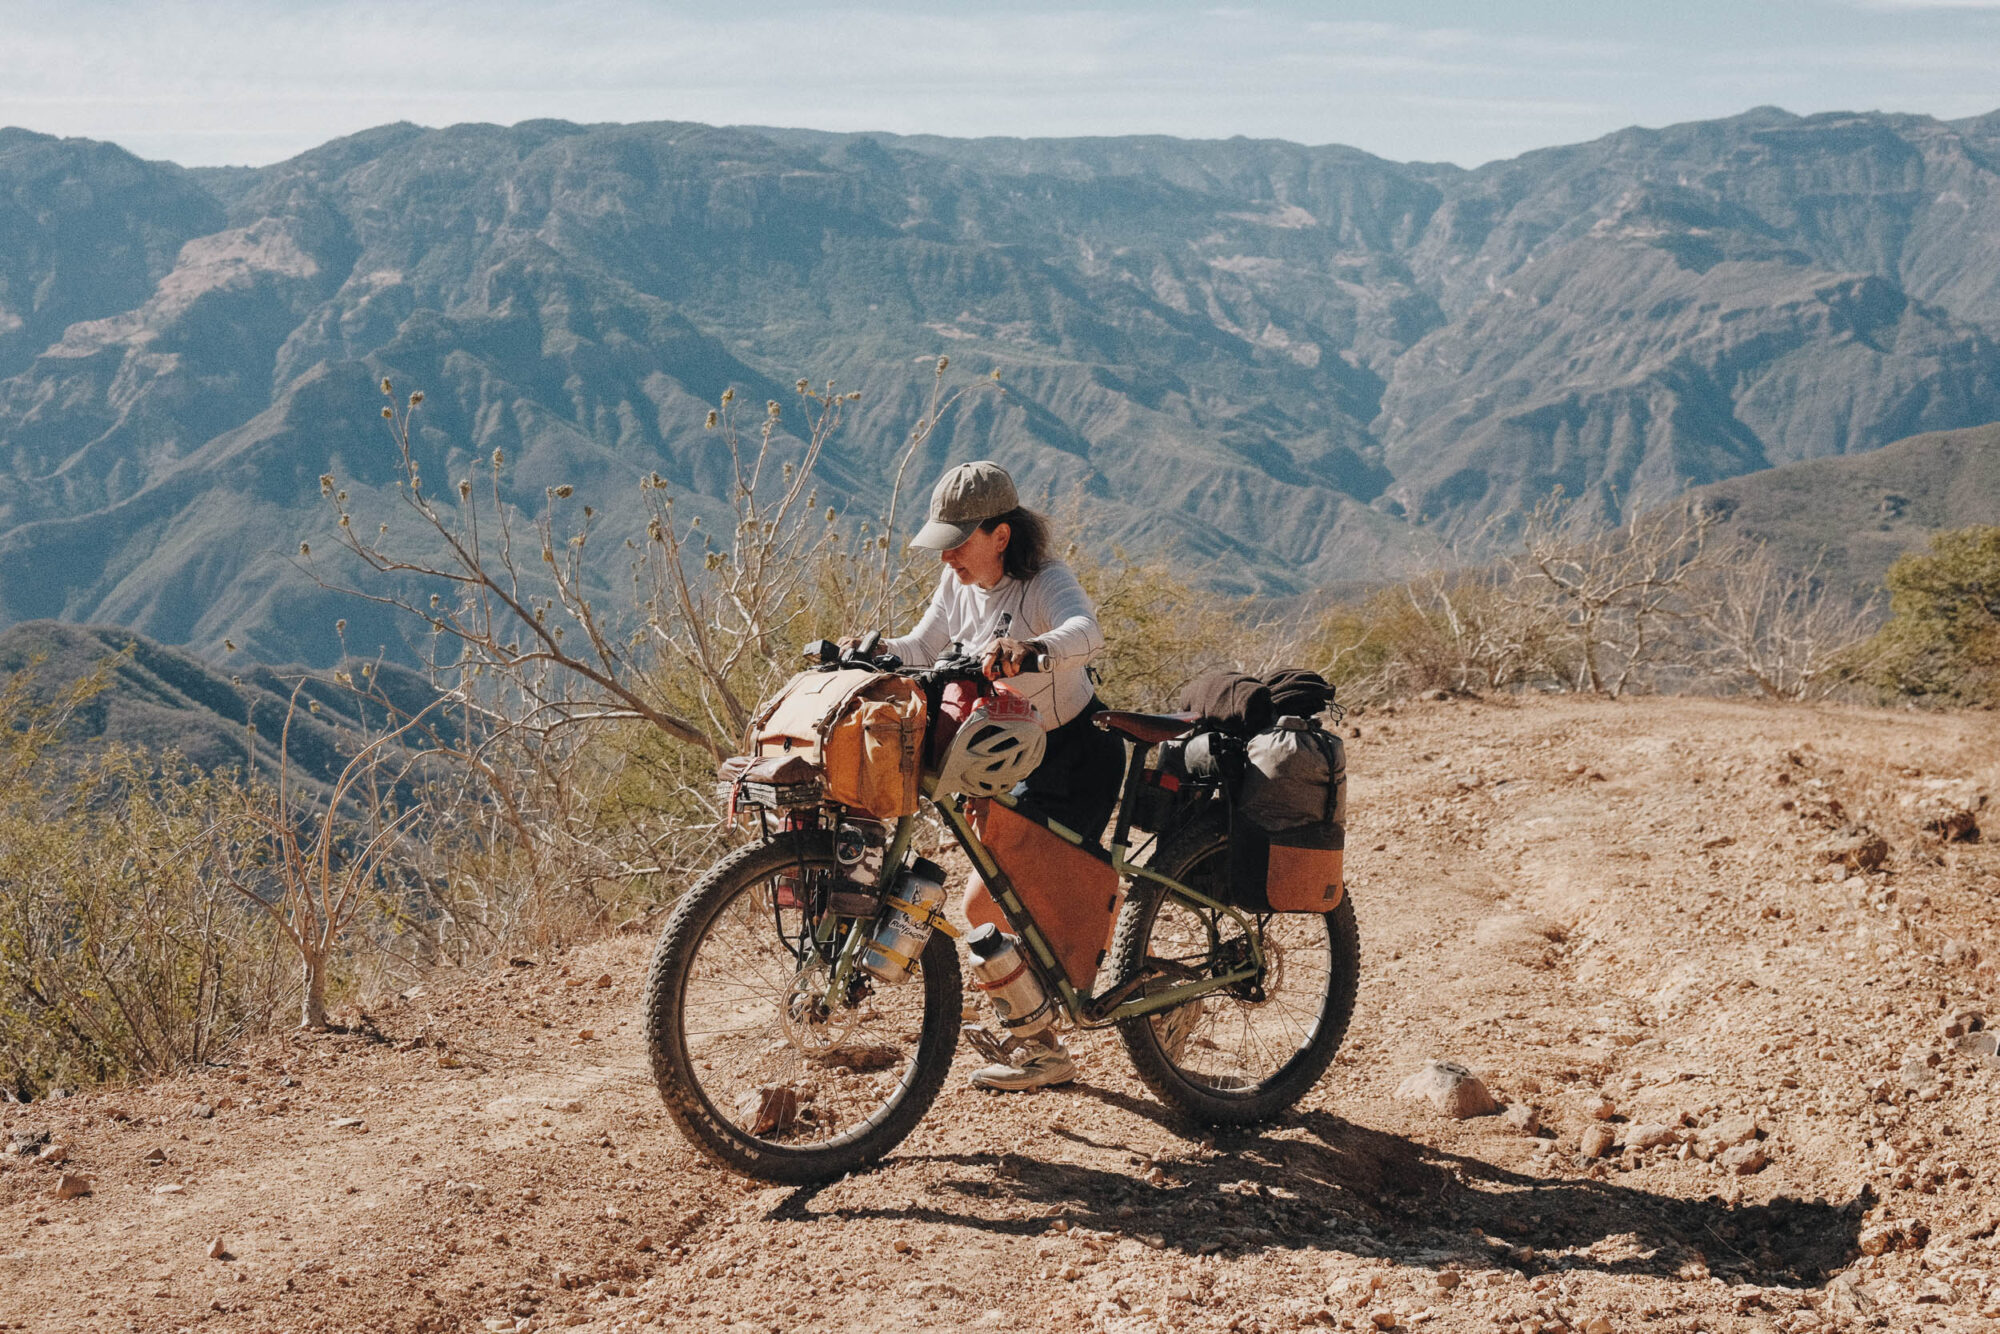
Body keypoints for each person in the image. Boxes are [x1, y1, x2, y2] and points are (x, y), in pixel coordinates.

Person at [864, 460, 1124, 1090]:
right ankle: (1046, 1033)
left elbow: (1086, 632)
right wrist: (872, 649)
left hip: (1073, 756)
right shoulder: (957, 584)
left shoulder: (1044, 581)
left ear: (999, 536)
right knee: (1004, 902)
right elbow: (922, 647)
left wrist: (1035, 650)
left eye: (958, 545)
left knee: (994, 904)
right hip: (1003, 756)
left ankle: (1048, 1046)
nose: (947, 559)